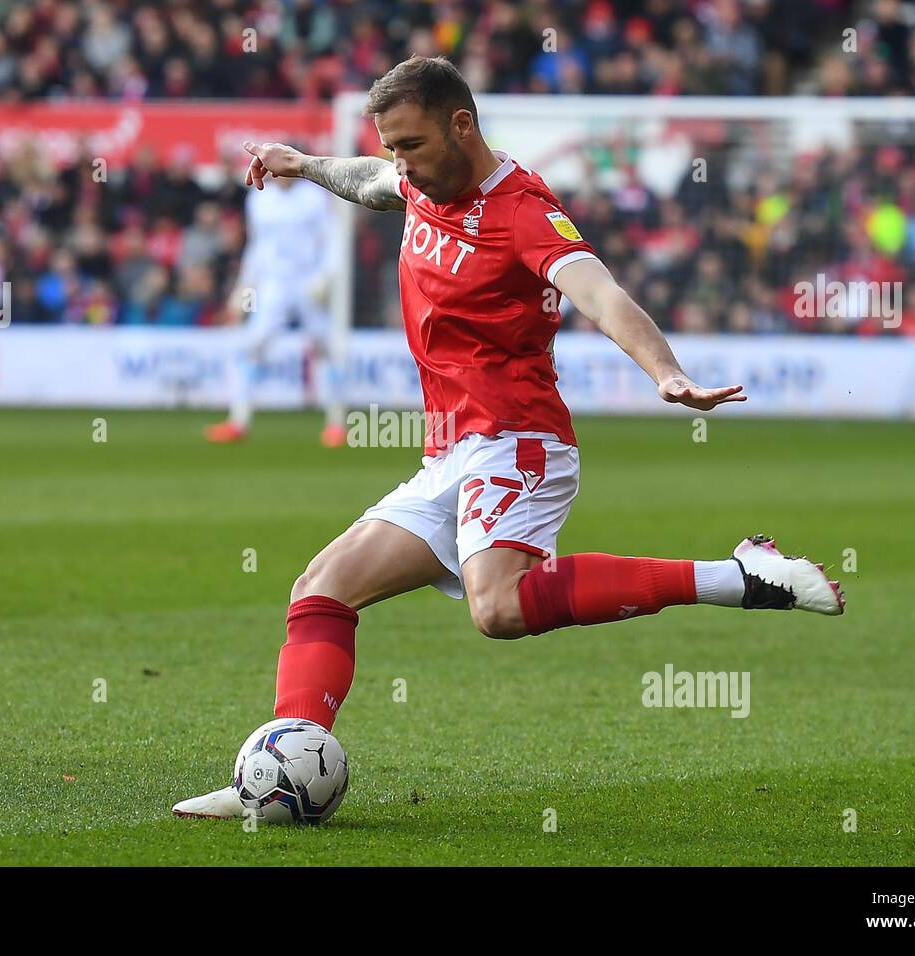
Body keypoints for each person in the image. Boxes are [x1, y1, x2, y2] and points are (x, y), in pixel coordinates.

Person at [174, 56, 843, 819]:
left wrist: (666, 371)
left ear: (463, 125)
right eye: (394, 145)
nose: (404, 163)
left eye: (414, 145)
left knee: (498, 610)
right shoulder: (421, 181)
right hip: (450, 451)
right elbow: (369, 180)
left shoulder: (522, 209)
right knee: (320, 588)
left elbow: (601, 292)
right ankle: (278, 774)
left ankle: (741, 577)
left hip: (519, 439)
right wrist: (303, 164)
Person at [204, 163, 348, 447]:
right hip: (274, 285)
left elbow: (333, 240)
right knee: (251, 346)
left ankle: (336, 423)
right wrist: (244, 288)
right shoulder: (260, 199)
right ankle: (238, 421)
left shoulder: (314, 197)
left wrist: (325, 278)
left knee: (327, 348)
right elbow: (257, 248)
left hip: (308, 282)